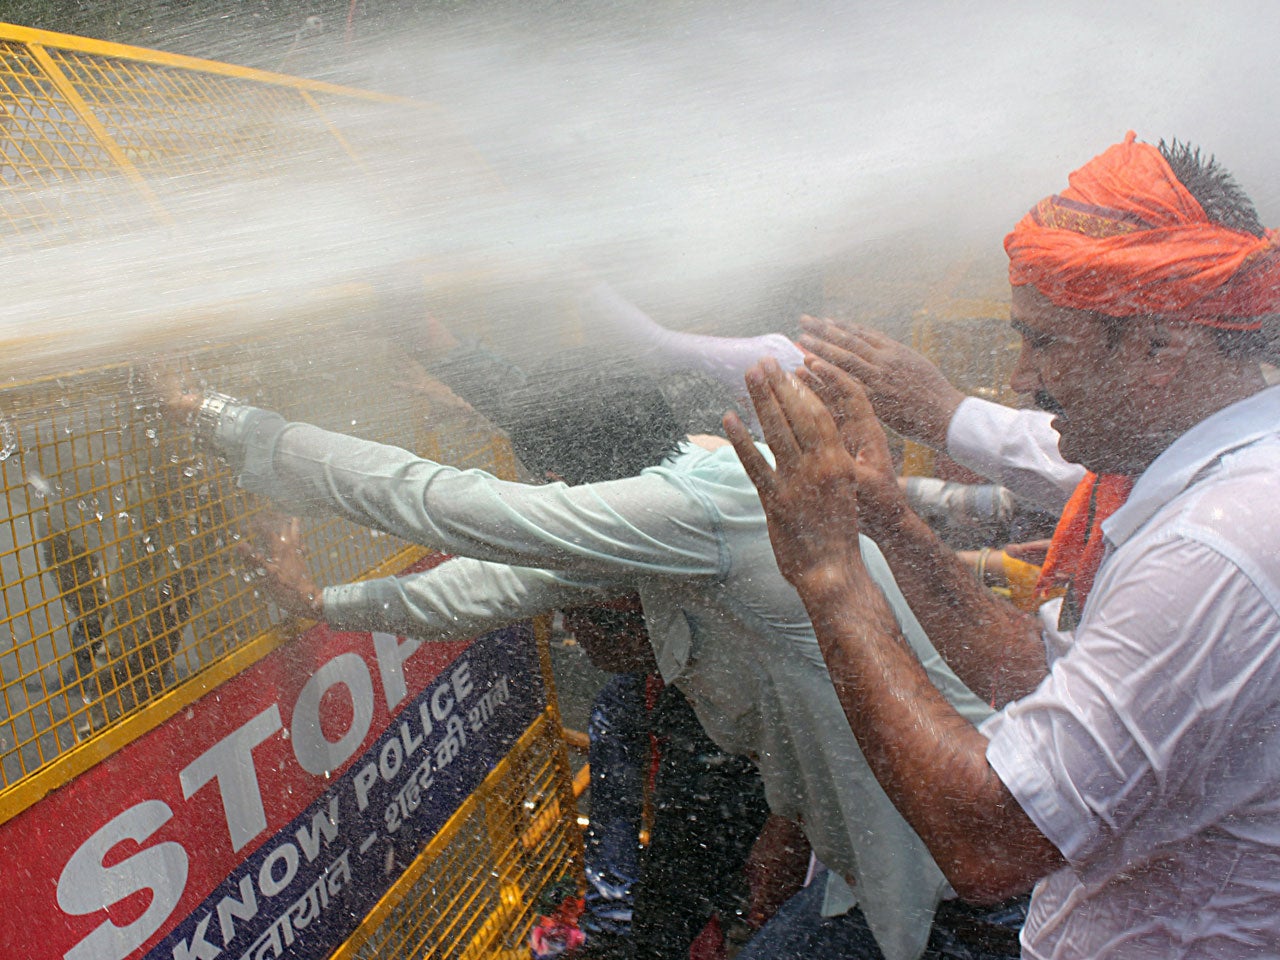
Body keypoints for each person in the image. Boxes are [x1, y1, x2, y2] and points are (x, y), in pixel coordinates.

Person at [163, 355, 999, 960]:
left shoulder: (694, 510)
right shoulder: (682, 499)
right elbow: (486, 590)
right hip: (909, 858)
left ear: (564, 475)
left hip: (966, 878)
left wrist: (210, 413)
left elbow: (438, 501)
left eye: (546, 481)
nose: (550, 497)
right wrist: (323, 607)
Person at [726, 132, 1280, 957]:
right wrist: (888, 524)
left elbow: (989, 842)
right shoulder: (1204, 489)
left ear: (1166, 348)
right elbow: (1035, 671)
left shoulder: (1215, 550)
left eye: (1045, 342)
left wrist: (832, 572)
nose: (1022, 378)